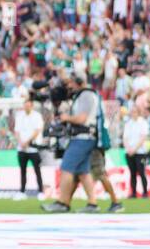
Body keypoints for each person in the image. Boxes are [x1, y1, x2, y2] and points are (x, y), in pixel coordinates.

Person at [42, 71, 102, 213]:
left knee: (66, 168)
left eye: (72, 83)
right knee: (83, 172)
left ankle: (62, 202)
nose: (70, 86)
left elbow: (82, 118)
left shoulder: (86, 95)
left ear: (79, 82)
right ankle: (92, 204)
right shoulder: (83, 95)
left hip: (82, 137)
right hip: (84, 137)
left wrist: (66, 118)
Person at [13, 97, 45, 197]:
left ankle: (40, 191)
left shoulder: (37, 116)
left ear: (31, 105)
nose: (26, 107)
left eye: (28, 105)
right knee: (23, 171)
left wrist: (27, 142)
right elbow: (17, 131)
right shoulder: (19, 116)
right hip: (21, 148)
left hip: (33, 148)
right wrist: (21, 142)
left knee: (37, 170)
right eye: (24, 105)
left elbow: (37, 131)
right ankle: (22, 192)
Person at [122, 100, 150, 199]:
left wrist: (134, 149)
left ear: (138, 112)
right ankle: (133, 193)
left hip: (140, 152)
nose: (133, 113)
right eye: (132, 111)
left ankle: (145, 192)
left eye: (135, 111)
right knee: (132, 173)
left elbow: (143, 138)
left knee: (142, 172)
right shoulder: (128, 123)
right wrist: (128, 149)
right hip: (129, 152)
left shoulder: (143, 123)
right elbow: (125, 138)